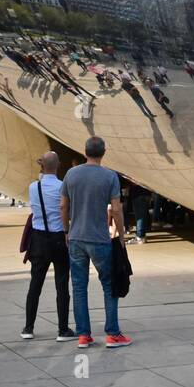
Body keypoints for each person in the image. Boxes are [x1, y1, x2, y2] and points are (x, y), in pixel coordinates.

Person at [60, 136, 131, 348]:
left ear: (84, 152)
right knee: (109, 286)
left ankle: (83, 335)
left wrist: (66, 230)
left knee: (79, 286)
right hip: (99, 238)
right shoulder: (110, 176)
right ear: (104, 152)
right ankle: (113, 334)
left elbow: (63, 206)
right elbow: (116, 209)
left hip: (76, 238)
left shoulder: (71, 174)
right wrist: (121, 234)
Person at [22, 152, 73, 341]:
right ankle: (63, 329)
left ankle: (28, 327)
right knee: (62, 285)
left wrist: (42, 165)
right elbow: (65, 208)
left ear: (41, 166)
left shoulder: (33, 187)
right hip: (59, 238)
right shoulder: (62, 187)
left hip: (38, 239)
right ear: (59, 165)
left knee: (35, 284)